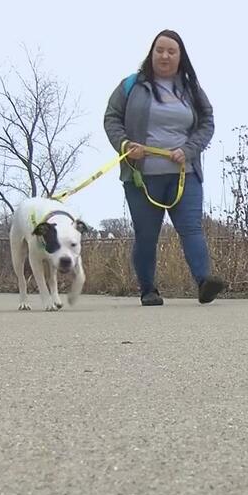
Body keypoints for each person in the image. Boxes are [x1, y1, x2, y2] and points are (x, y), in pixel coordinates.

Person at [103, 29, 228, 306]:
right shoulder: (132, 86)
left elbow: (207, 122)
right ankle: (148, 289)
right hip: (141, 176)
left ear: (180, 57)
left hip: (185, 174)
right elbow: (112, 118)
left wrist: (188, 150)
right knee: (146, 235)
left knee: (191, 228)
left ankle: (204, 281)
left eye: (171, 51)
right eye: (160, 50)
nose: (165, 55)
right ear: (151, 53)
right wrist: (124, 145)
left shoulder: (191, 89)